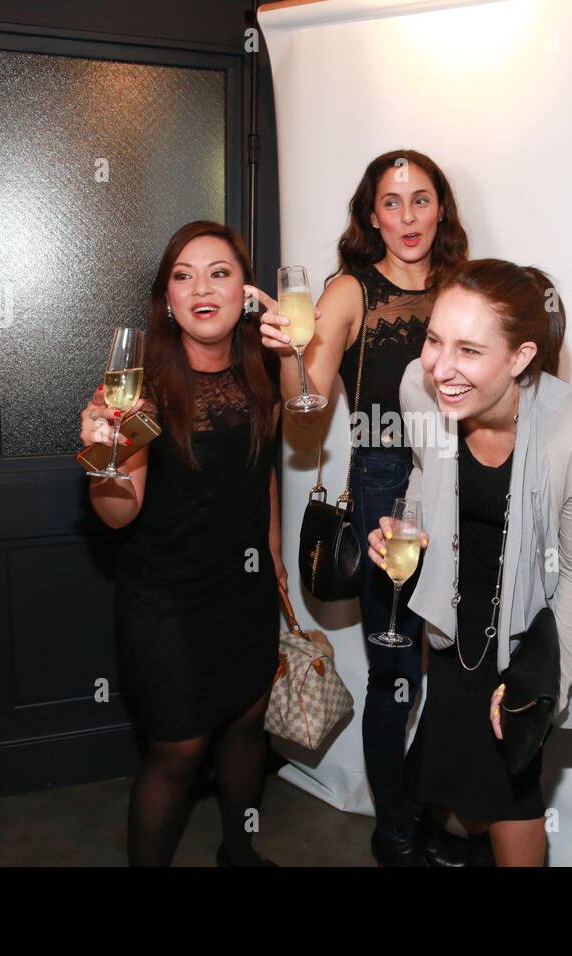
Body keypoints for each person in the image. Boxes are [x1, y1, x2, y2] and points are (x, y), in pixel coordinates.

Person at [246, 149, 472, 866]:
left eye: (421, 198)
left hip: (465, 484)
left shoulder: (465, 287)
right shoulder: (350, 291)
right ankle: (396, 830)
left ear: (442, 207)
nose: (408, 216)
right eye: (392, 201)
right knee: (397, 671)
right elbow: (306, 405)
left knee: (465, 669)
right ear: (371, 215)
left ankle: (426, 808)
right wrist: (288, 352)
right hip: (387, 490)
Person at [368, 259, 572, 867]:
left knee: (514, 794)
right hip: (455, 625)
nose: (440, 367)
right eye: (434, 339)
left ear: (520, 357)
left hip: (534, 626)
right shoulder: (418, 388)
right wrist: (403, 528)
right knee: (476, 794)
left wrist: (542, 691)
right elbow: (427, 476)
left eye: (469, 350)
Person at [81, 220, 284, 867]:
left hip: (244, 588)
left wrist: (275, 562)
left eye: (219, 272)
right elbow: (118, 514)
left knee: (248, 725)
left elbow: (266, 470)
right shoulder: (137, 389)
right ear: (165, 298)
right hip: (164, 599)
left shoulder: (262, 374)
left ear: (245, 292)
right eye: (183, 275)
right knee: (179, 749)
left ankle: (240, 852)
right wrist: (103, 460)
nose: (202, 287)